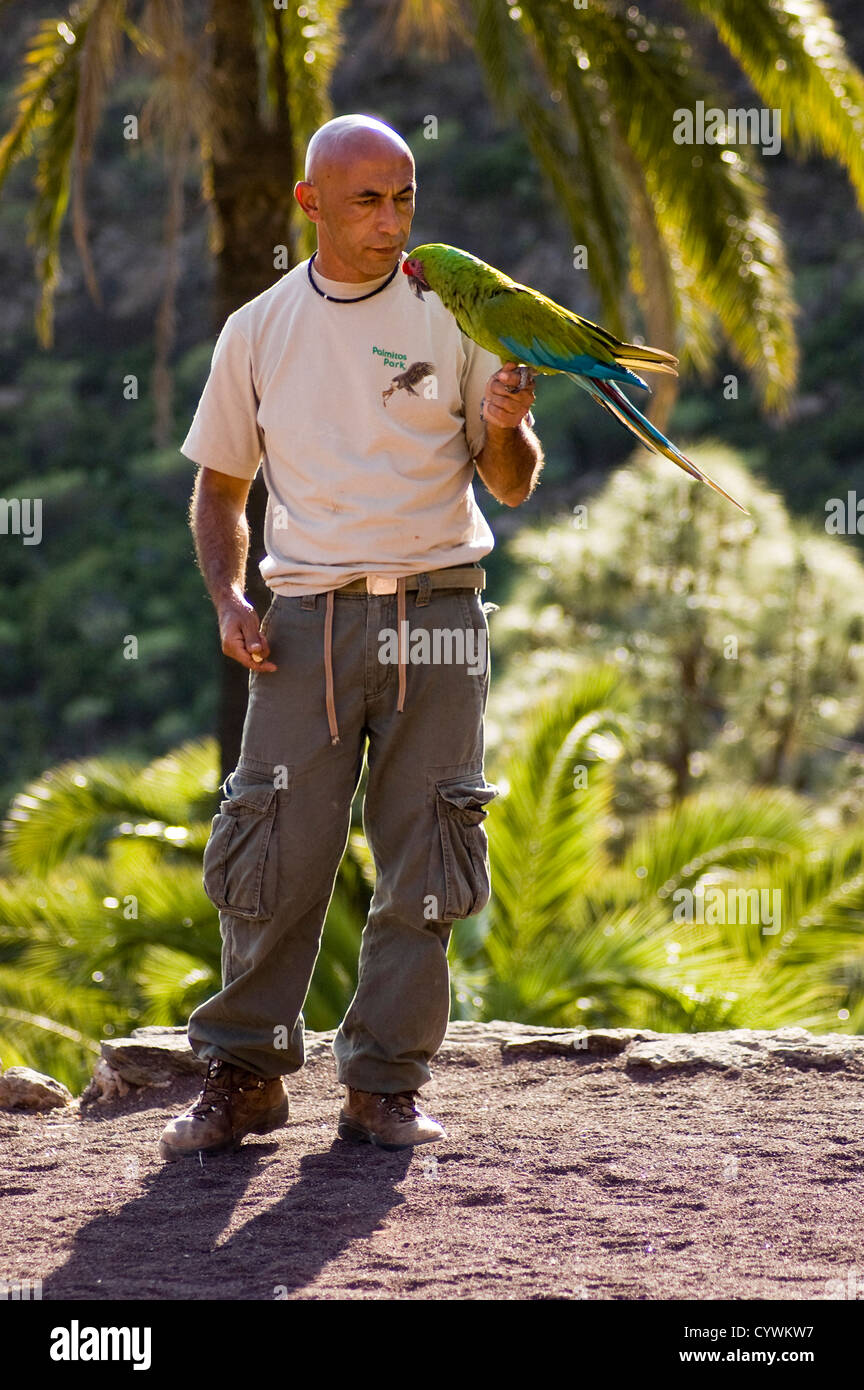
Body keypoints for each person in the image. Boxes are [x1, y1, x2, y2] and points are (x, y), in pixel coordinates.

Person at [159, 113, 543, 1161]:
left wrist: (505, 421)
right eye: (367, 200)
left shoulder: (456, 315)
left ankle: (385, 1085)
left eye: (404, 196)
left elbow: (507, 481)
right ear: (310, 203)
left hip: (442, 609)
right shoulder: (259, 330)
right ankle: (245, 1076)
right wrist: (229, 600)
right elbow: (220, 490)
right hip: (305, 621)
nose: (391, 220)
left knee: (431, 851)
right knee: (270, 855)